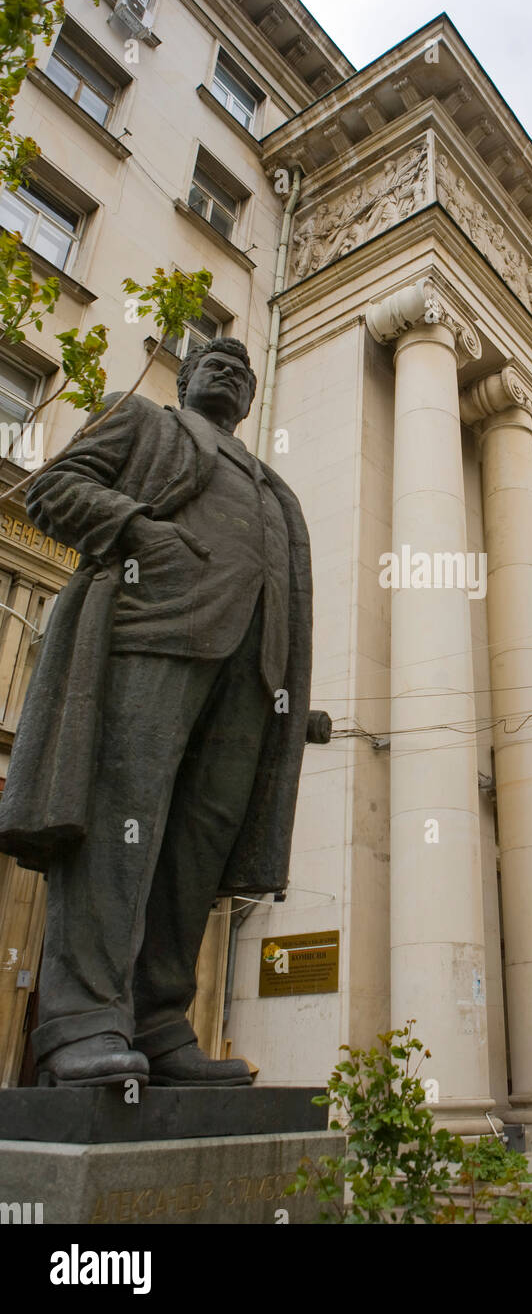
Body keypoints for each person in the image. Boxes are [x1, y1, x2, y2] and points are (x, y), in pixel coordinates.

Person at [0, 338, 312, 1087]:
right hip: (153, 632)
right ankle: (80, 1022)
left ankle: (159, 1022)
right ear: (187, 378)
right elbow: (54, 489)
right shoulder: (141, 419)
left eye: (243, 370)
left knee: (197, 850)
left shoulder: (277, 489)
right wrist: (142, 533)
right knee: (120, 819)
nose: (230, 370)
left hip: (249, 673)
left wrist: (292, 703)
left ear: (249, 400)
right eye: (214, 361)